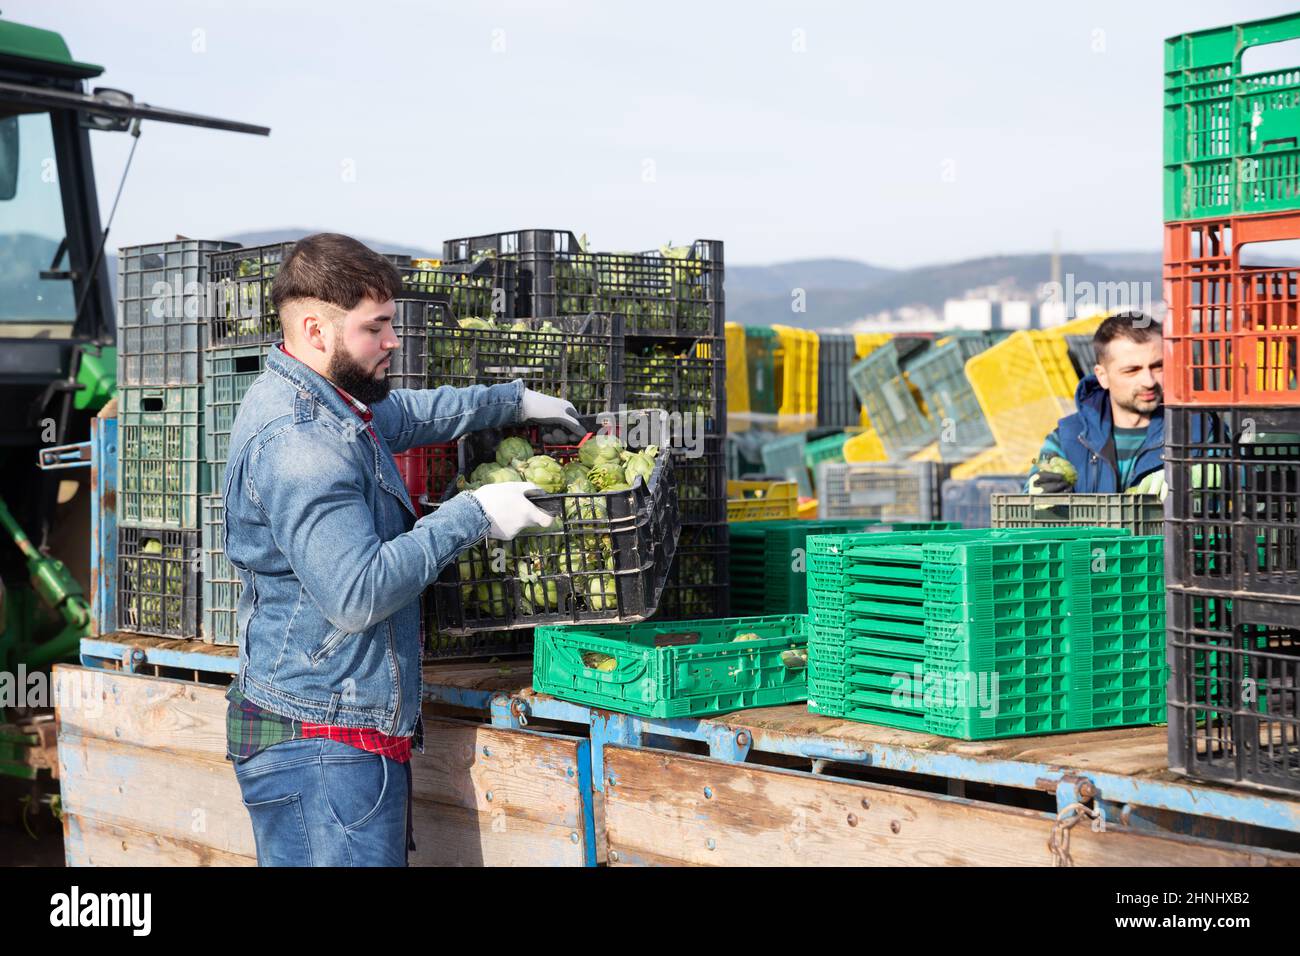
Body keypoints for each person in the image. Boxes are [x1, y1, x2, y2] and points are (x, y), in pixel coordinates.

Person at [220, 233, 582, 866]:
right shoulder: (301, 442)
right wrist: (472, 515)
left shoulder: (325, 399)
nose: (393, 341)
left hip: (325, 725)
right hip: (323, 744)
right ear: (315, 329)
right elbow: (357, 594)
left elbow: (408, 417)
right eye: (375, 327)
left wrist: (511, 400)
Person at [1027, 312, 1166, 496]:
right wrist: (1036, 496)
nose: (1149, 381)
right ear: (1102, 376)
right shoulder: (1067, 438)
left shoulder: (1198, 433)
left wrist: (1201, 478)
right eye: (1132, 370)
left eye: (1158, 366)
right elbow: (1029, 500)